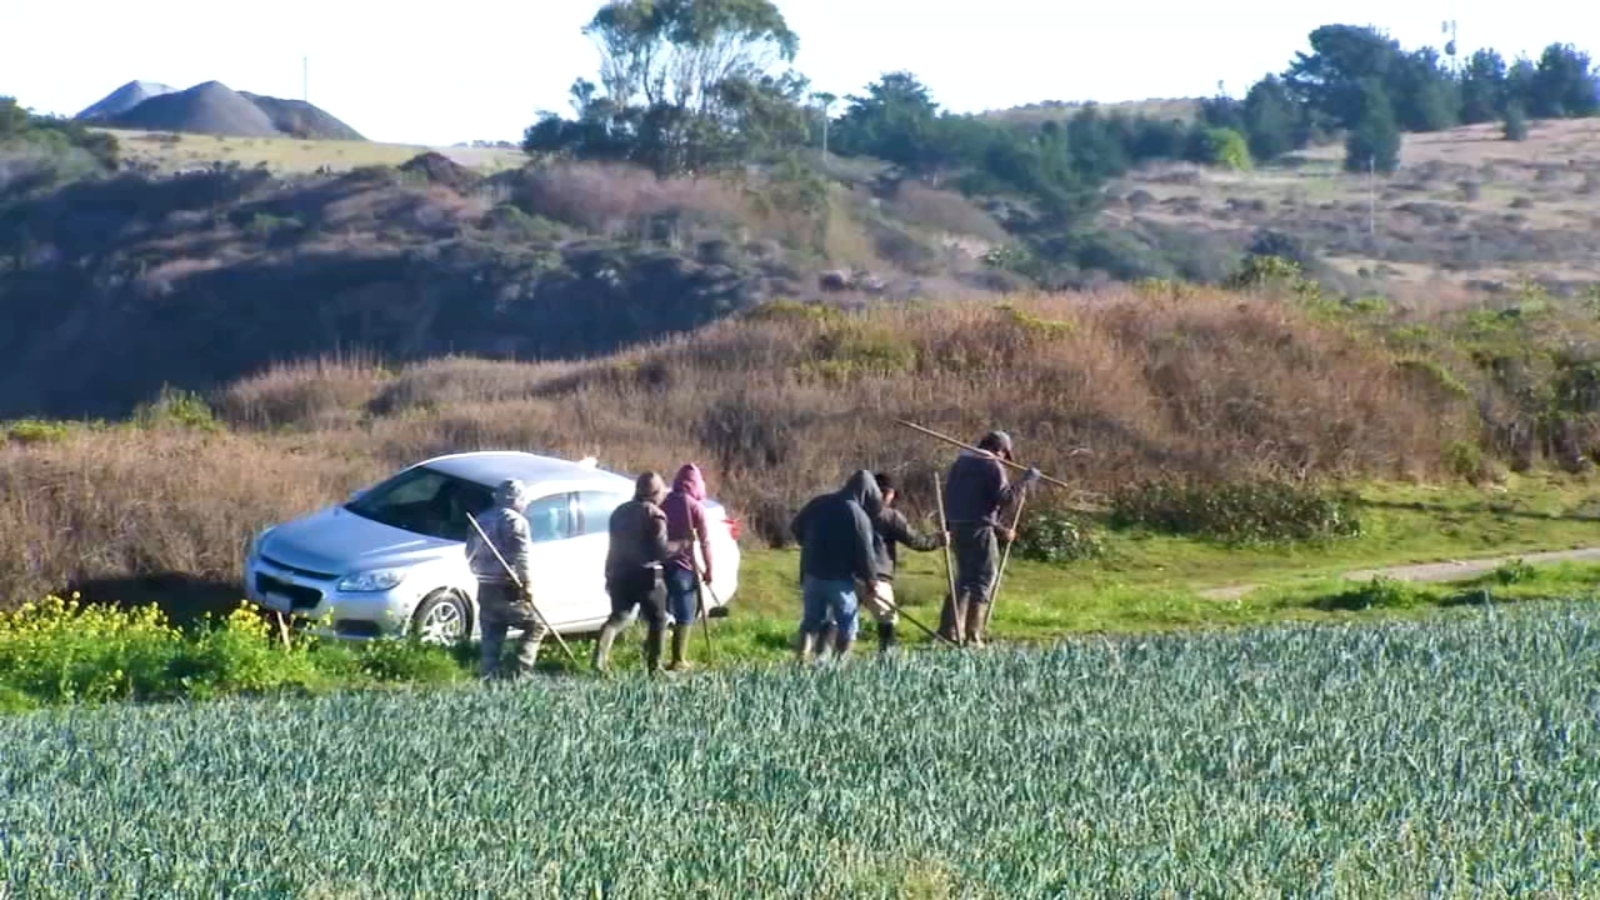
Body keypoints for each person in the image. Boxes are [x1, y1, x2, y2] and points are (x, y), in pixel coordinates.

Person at [941, 431, 1040, 647]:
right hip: (980, 531)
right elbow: (1005, 499)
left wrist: (1000, 528)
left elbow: (963, 501)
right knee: (984, 578)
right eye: (1005, 454)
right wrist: (1025, 481)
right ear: (1000, 450)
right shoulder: (992, 466)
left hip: (957, 526)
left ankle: (949, 630)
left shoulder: (960, 463)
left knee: (964, 578)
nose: (1004, 459)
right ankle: (973, 635)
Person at [592, 471, 685, 674]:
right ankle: (655, 667)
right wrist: (680, 545)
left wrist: (608, 574)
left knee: (618, 617)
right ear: (656, 493)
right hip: (646, 576)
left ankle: (599, 660)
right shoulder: (655, 514)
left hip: (618, 572)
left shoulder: (619, 512)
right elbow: (660, 550)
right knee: (658, 619)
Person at [790, 470, 882, 663]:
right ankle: (841, 665)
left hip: (811, 573)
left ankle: (800, 661)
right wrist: (871, 581)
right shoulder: (858, 515)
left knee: (810, 621)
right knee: (848, 622)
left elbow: (796, 527)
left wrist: (810, 547)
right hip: (839, 578)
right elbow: (865, 552)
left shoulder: (819, 502)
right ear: (866, 494)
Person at [465, 478, 549, 680]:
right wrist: (526, 584)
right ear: (517, 499)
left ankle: (488, 675)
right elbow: (522, 555)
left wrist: (482, 571)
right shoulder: (516, 521)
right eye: (524, 500)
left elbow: (469, 553)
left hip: (484, 586)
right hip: (507, 585)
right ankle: (519, 671)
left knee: (492, 632)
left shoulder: (481, 519)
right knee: (536, 626)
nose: (525, 504)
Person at [860, 472, 948, 655]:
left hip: (846, 575)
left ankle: (826, 658)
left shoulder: (853, 511)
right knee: (888, 619)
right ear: (886, 493)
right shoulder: (890, 516)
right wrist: (939, 540)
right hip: (876, 577)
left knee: (841, 620)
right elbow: (916, 541)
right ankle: (888, 658)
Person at [661, 463, 714, 672]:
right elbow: (705, 542)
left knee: (664, 612)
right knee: (685, 612)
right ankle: (678, 659)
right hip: (683, 566)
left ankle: (656, 654)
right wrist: (709, 569)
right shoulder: (695, 507)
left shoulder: (664, 501)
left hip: (662, 564)